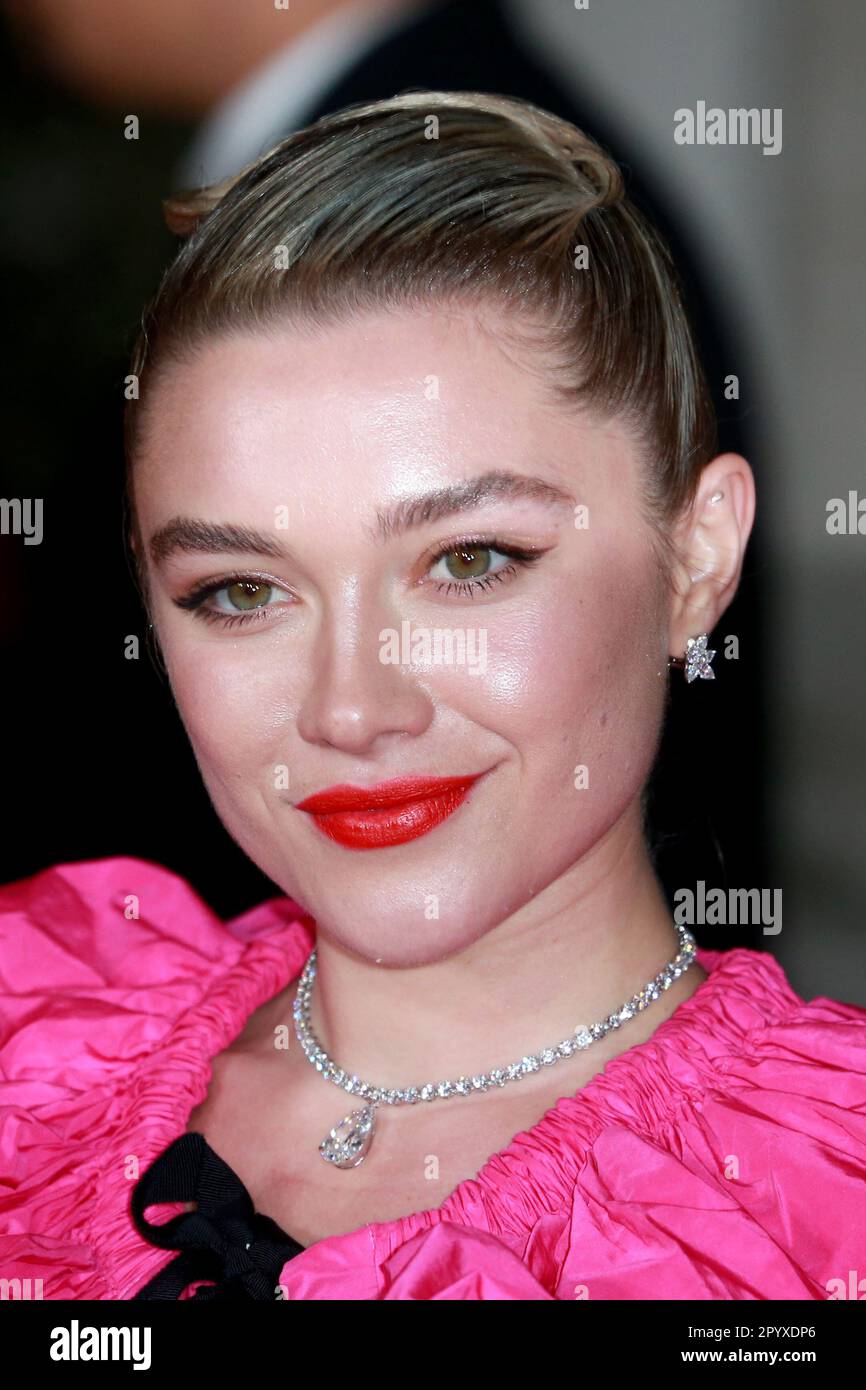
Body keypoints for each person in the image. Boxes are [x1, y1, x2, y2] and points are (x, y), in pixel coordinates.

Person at [1, 90, 863, 1302]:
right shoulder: (26, 1048)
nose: (349, 710)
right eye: (241, 590)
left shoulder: (826, 1203)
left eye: (468, 561)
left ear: (696, 559)